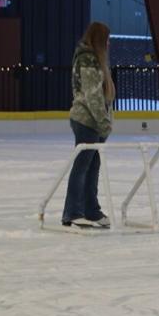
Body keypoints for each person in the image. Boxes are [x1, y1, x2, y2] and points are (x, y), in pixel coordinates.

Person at [62, 21, 116, 228]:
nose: (109, 45)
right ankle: (73, 212)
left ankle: (91, 210)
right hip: (86, 121)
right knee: (82, 166)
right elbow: (92, 95)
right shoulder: (87, 59)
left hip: (95, 122)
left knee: (93, 167)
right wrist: (104, 123)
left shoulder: (95, 59)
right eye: (107, 40)